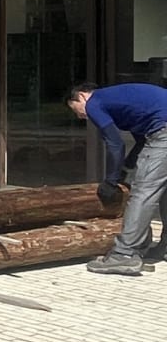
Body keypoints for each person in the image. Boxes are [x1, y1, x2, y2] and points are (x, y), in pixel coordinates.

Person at [65, 81, 167, 275]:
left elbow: (115, 144)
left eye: (77, 110)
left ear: (82, 96)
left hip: (164, 131)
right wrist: (125, 169)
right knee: (163, 190)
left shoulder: (94, 102)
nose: (81, 116)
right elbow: (141, 142)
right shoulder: (122, 103)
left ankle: (124, 255)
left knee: (143, 192)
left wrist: (110, 181)